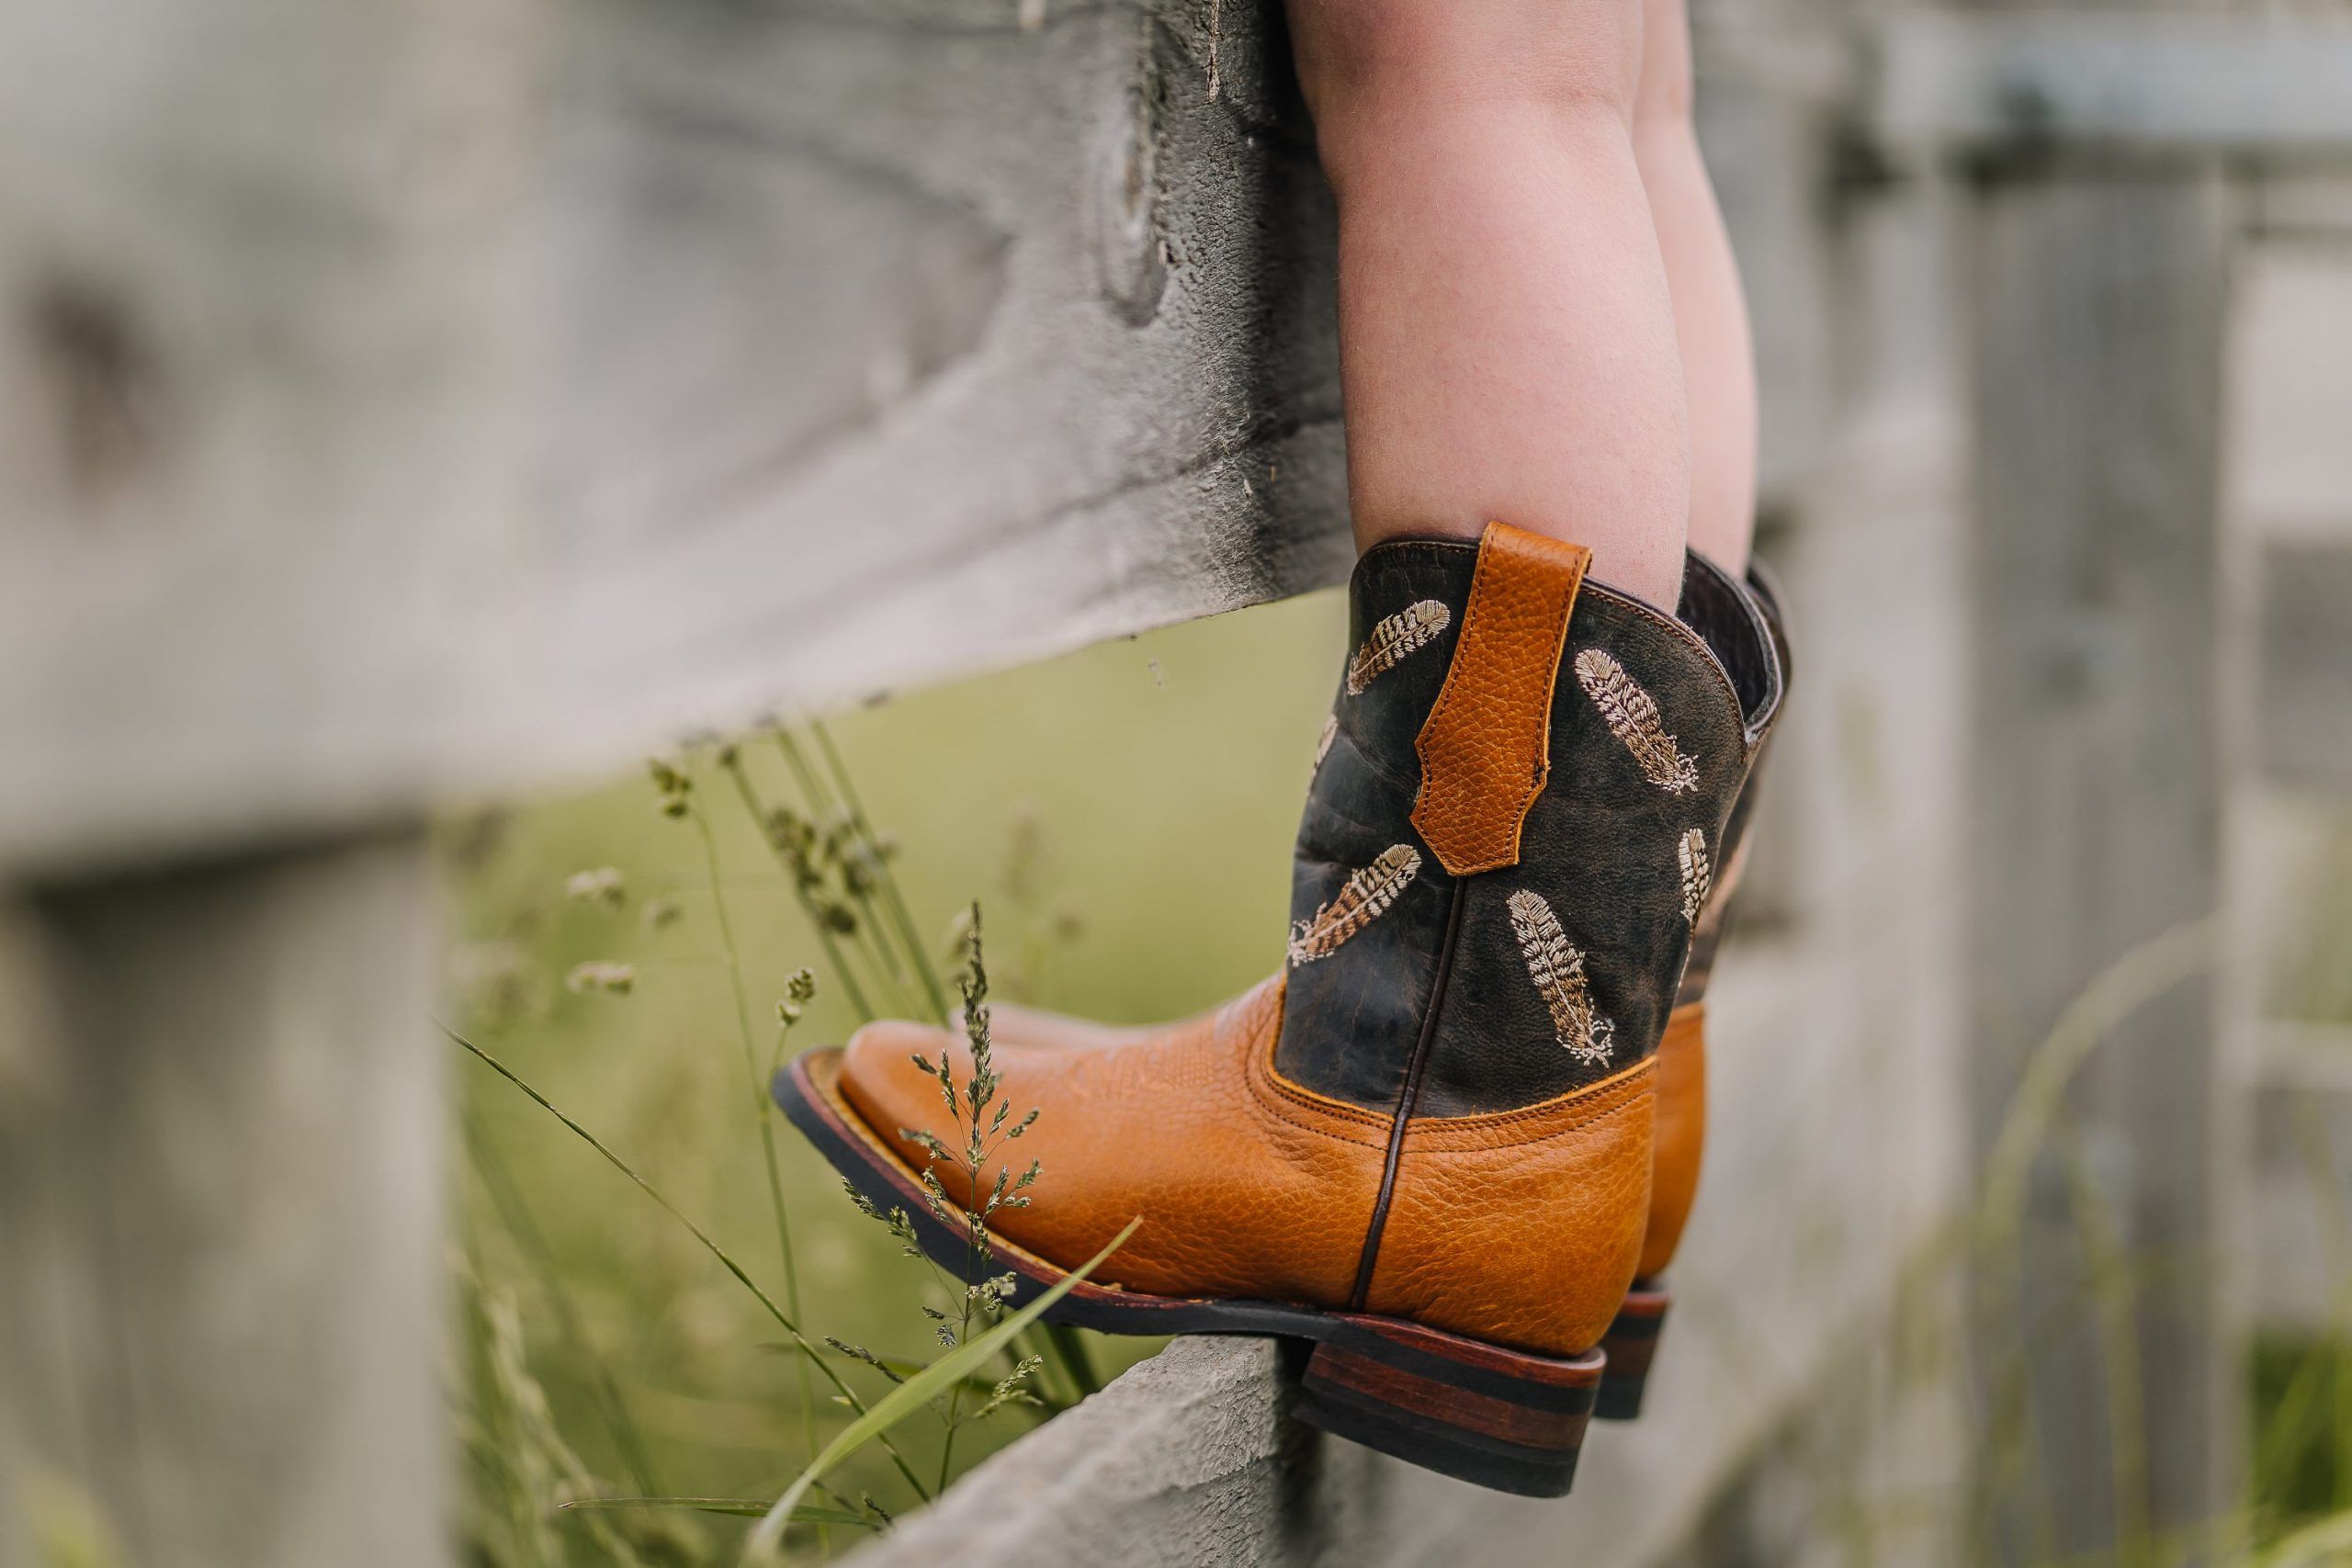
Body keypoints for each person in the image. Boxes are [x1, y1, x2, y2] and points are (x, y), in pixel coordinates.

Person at [776, 0, 1789, 1495]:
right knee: (1595, 83)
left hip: (1420, 1130)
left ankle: (1413, 1102)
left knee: (1474, 58)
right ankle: (1591, 1095)